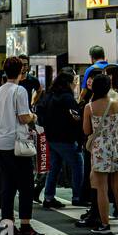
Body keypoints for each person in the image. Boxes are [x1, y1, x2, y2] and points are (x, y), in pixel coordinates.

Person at [0, 56, 45, 235]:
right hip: (15, 144)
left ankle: (7, 230)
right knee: (26, 185)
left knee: (7, 186)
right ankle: (25, 226)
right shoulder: (19, 90)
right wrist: (34, 116)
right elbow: (23, 117)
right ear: (21, 71)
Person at [81, 72, 118, 234]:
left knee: (101, 188)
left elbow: (87, 130)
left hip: (100, 148)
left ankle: (105, 224)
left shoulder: (89, 107)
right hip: (117, 145)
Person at [39, 69, 85, 209]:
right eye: (74, 83)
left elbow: (40, 112)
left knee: (54, 167)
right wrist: (79, 139)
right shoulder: (68, 98)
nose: (75, 86)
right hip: (65, 138)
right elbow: (75, 120)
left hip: (51, 137)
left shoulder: (49, 95)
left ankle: (48, 197)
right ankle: (77, 196)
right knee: (77, 163)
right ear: (68, 84)